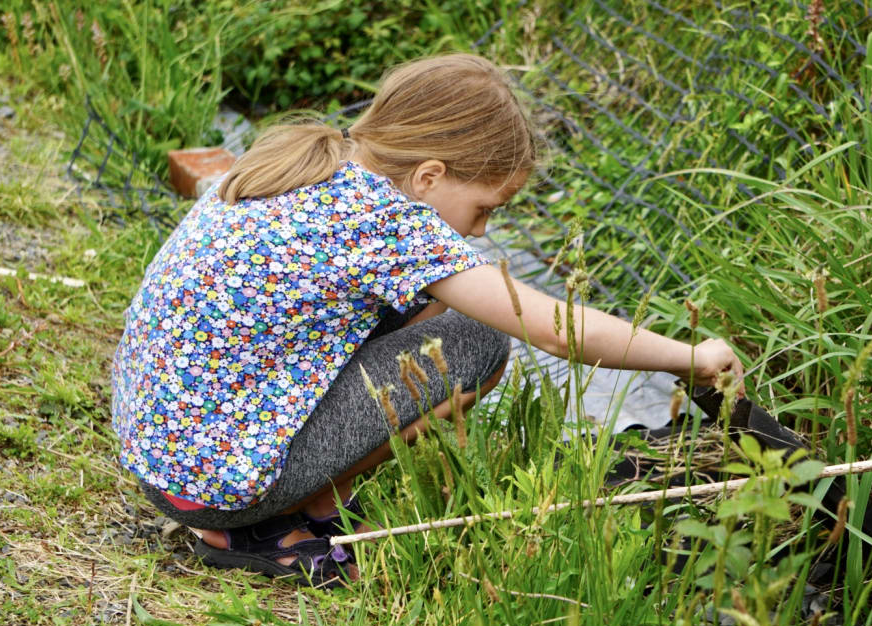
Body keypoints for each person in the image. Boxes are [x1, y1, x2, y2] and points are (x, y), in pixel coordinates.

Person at [110, 53, 744, 588]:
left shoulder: (312, 167)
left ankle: (288, 501)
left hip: (162, 452)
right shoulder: (385, 222)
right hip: (218, 486)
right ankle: (284, 518)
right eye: (483, 207)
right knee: (480, 341)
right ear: (430, 175)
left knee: (435, 301)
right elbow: (552, 327)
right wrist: (689, 356)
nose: (483, 229)